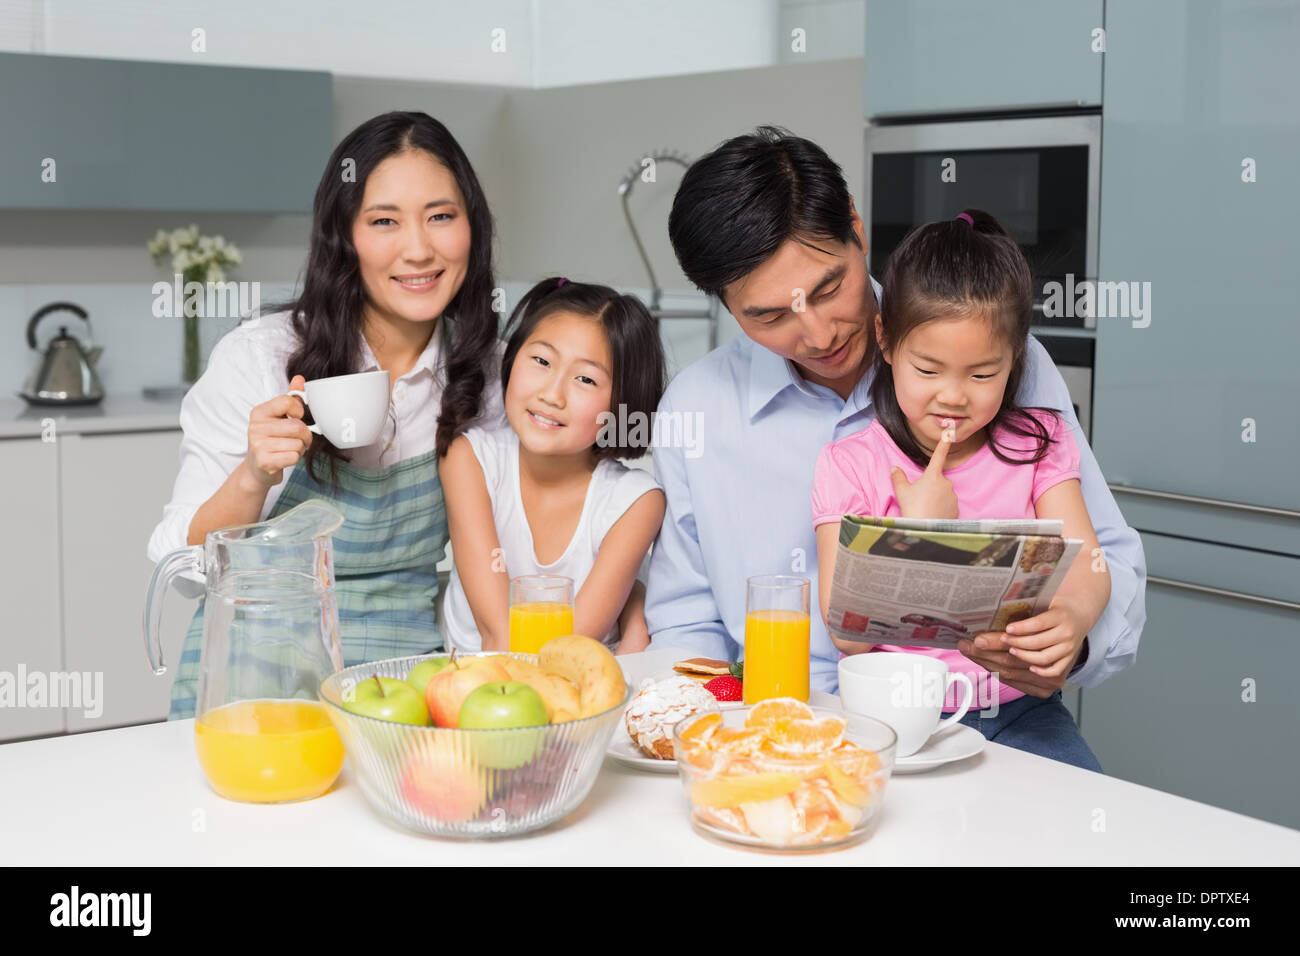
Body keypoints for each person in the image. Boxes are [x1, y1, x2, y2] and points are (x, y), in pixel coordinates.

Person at [645, 126, 1145, 714]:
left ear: (855, 225)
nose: (819, 333)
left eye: (829, 288)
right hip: (779, 727)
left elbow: (1105, 557)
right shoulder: (696, 409)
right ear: (726, 304)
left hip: (984, 718)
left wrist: (1068, 643)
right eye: (770, 315)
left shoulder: (994, 363)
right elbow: (687, 621)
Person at [147, 111, 504, 720]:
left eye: (441, 216)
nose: (419, 249)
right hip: (253, 685)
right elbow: (178, 571)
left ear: (473, 227)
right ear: (343, 236)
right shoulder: (259, 358)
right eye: (384, 221)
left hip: (404, 693)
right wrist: (254, 475)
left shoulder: (490, 375)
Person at [810, 209, 1111, 770]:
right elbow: (845, 633)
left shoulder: (1039, 444)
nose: (953, 396)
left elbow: (1089, 563)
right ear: (887, 342)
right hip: (893, 718)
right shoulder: (849, 464)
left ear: (1014, 361)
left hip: (1021, 713)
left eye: (981, 375)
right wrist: (920, 531)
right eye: (928, 370)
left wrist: (1073, 617)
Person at [440, 277, 667, 654]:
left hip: (577, 693)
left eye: (585, 379)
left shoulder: (635, 502)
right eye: (542, 361)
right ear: (512, 360)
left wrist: (636, 617)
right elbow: (497, 633)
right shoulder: (470, 459)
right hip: (478, 688)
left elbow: (570, 650)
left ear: (621, 403)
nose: (551, 394)